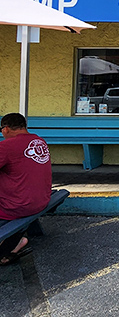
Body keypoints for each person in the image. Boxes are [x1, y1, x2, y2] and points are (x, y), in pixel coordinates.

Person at [0, 113, 52, 265]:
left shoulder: (7, 146)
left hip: (18, 206)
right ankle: (17, 241)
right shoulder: (39, 141)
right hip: (41, 200)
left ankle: (12, 243)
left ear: (6, 128)